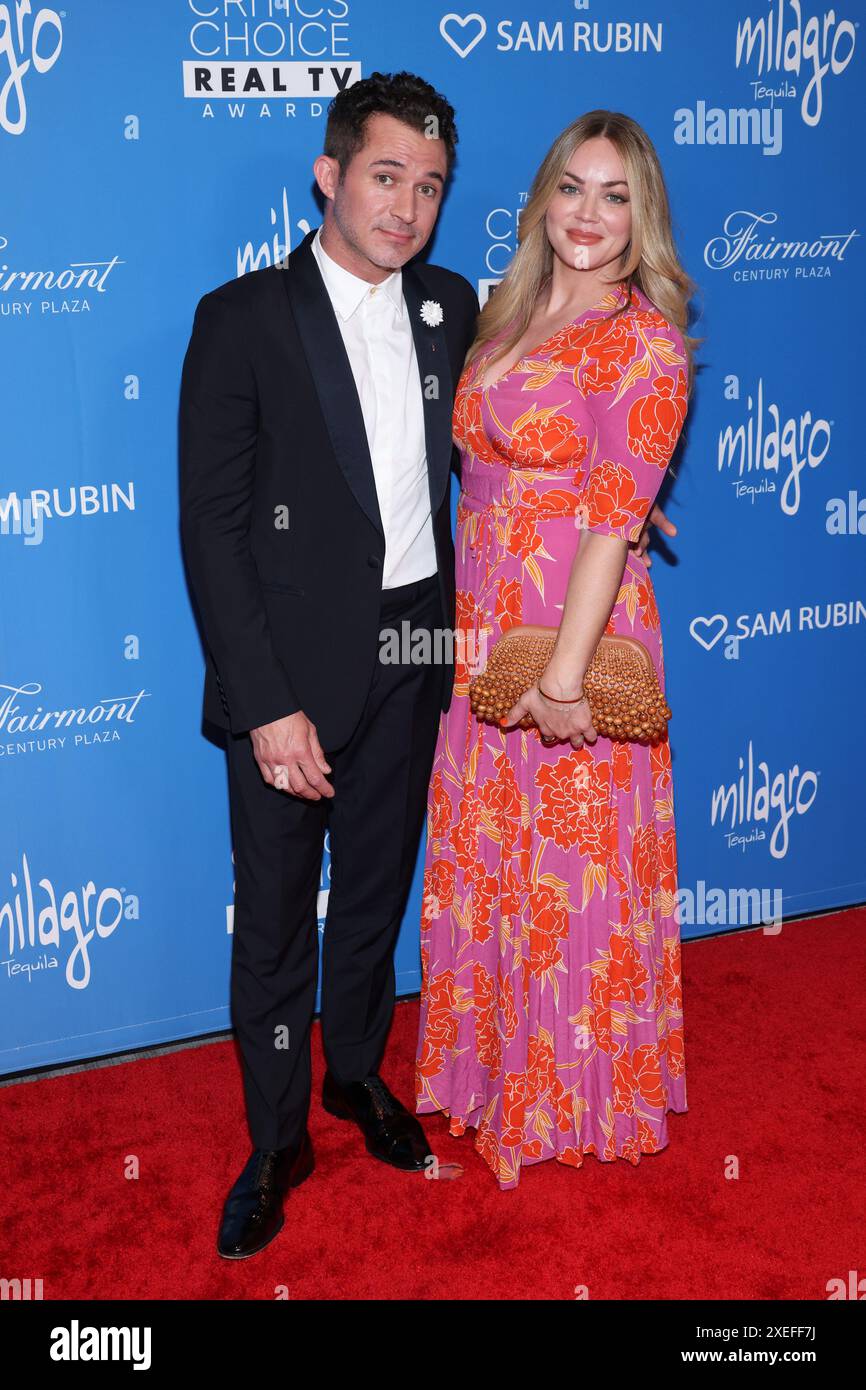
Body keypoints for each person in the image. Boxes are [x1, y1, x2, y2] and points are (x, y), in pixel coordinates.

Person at [179, 71, 481, 1258]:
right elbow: (212, 528)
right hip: (289, 679)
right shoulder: (241, 317)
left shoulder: (451, 307)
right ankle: (273, 1141)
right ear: (330, 173)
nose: (406, 206)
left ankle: (354, 1078)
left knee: (371, 896)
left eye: (429, 186)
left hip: (414, 644)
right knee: (271, 922)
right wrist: (266, 706)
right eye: (385, 176)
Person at [414, 110, 696, 1189]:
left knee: (564, 871)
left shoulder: (647, 343)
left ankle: (559, 1093)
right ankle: (489, 1074)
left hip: (571, 631)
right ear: (541, 199)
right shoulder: (504, 313)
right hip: (483, 627)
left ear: (642, 218)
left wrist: (567, 679)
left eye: (615, 195)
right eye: (572, 188)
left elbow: (612, 519)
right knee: (494, 854)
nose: (589, 213)